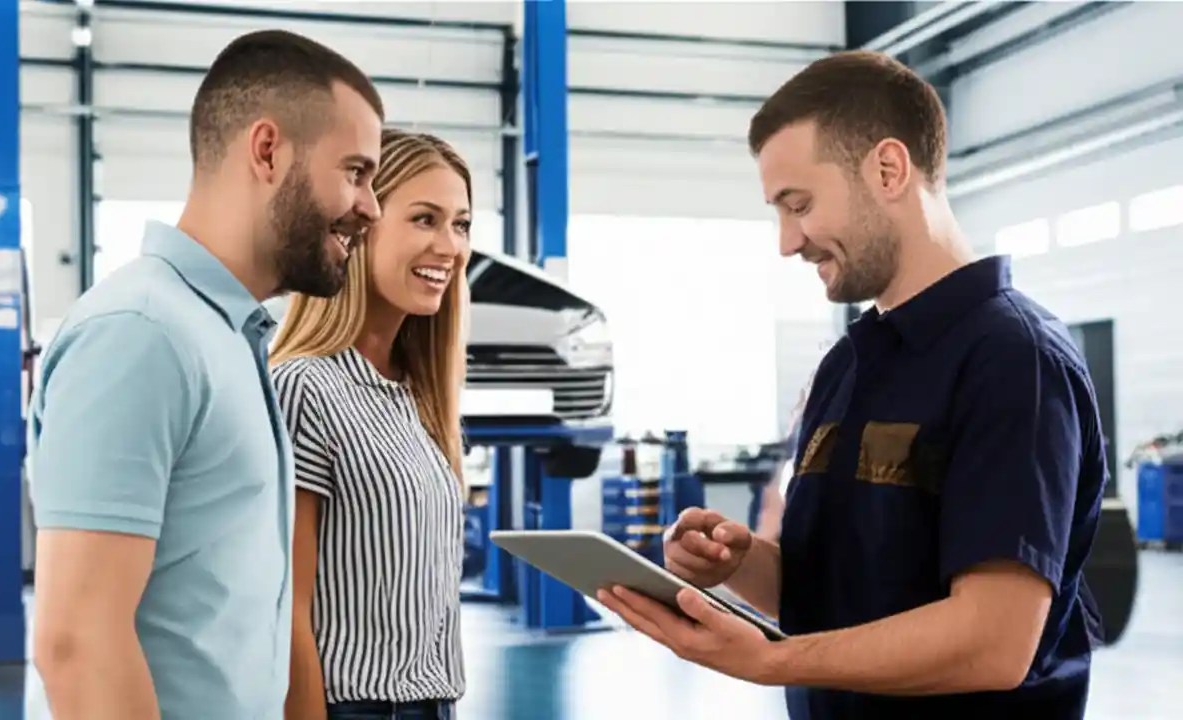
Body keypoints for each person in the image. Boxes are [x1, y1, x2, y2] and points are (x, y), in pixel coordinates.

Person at [598, 50, 1107, 719]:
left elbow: (994, 641)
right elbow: (831, 598)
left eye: (798, 204)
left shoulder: (1014, 359)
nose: (787, 241)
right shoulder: (848, 363)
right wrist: (739, 562)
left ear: (888, 170)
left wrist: (770, 660)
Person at [27, 30, 384, 720]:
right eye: (356, 171)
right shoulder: (142, 333)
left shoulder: (229, 336)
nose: (369, 204)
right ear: (268, 150)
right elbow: (78, 643)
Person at [269, 128, 472, 720]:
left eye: (461, 225)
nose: (450, 247)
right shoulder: (304, 388)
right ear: (360, 225)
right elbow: (287, 611)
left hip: (434, 702)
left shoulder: (415, 398)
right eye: (425, 219)